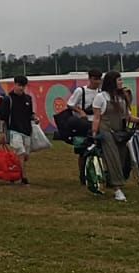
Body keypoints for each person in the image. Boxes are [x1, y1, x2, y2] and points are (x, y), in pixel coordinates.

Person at [89, 71, 133, 202]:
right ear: (112, 82)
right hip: (106, 131)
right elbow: (97, 118)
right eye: (119, 80)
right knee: (113, 158)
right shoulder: (101, 97)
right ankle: (117, 189)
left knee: (123, 158)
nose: (121, 83)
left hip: (120, 132)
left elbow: (128, 116)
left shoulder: (122, 97)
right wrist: (94, 134)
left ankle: (113, 181)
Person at [55, 69, 103, 184]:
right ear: (90, 78)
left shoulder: (100, 92)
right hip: (82, 125)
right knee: (83, 151)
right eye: (95, 79)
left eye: (99, 79)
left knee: (97, 150)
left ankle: (96, 173)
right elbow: (70, 104)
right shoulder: (81, 91)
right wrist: (80, 112)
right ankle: (82, 174)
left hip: (96, 123)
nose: (97, 82)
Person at [3, 75, 38, 184]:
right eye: (19, 85)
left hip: (26, 130)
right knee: (20, 153)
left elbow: (30, 114)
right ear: (15, 84)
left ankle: (13, 173)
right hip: (13, 130)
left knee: (25, 156)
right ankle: (23, 177)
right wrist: (2, 133)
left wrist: (35, 118)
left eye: (23, 86)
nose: (21, 88)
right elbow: (3, 117)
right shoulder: (8, 99)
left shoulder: (28, 99)